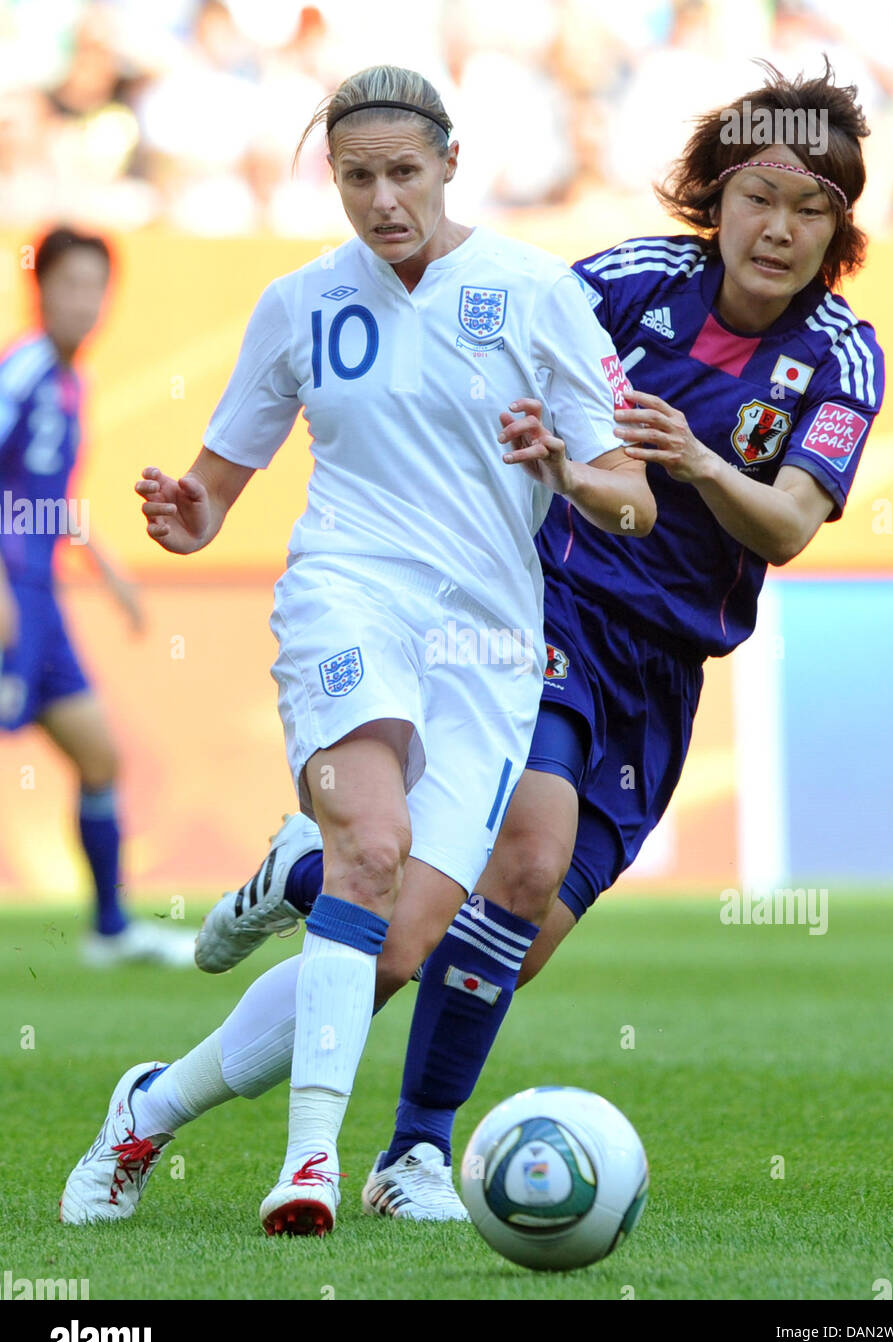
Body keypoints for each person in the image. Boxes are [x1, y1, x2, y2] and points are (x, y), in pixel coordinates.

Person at [166, 59, 885, 1223]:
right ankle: (405, 1152)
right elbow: (469, 337)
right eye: (760, 197)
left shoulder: (842, 359)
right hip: (541, 606)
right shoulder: (625, 282)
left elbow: (794, 526)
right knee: (524, 857)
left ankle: (303, 903)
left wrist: (698, 463)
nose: (780, 227)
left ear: (838, 226)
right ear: (717, 196)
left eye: (811, 209)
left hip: (663, 665)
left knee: (488, 932)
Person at [59, 64, 655, 1235]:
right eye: (355, 177)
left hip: (487, 647)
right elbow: (218, 484)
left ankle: (149, 1104)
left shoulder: (537, 294)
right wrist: (192, 514)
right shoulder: (297, 304)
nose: (382, 199)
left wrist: (564, 470)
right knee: (372, 846)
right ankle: (313, 1165)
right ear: (331, 179)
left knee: (392, 944)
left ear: (448, 165)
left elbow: (629, 496)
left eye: (402, 172)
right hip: (349, 601)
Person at [0, 227, 195, 967]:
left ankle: (109, 929)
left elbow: (47, 492)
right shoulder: (18, 372)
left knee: (100, 755)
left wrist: (106, 569)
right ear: (38, 288)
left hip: (42, 599)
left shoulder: (73, 382)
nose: (84, 302)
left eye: (95, 287)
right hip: (11, 593)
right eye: (69, 285)